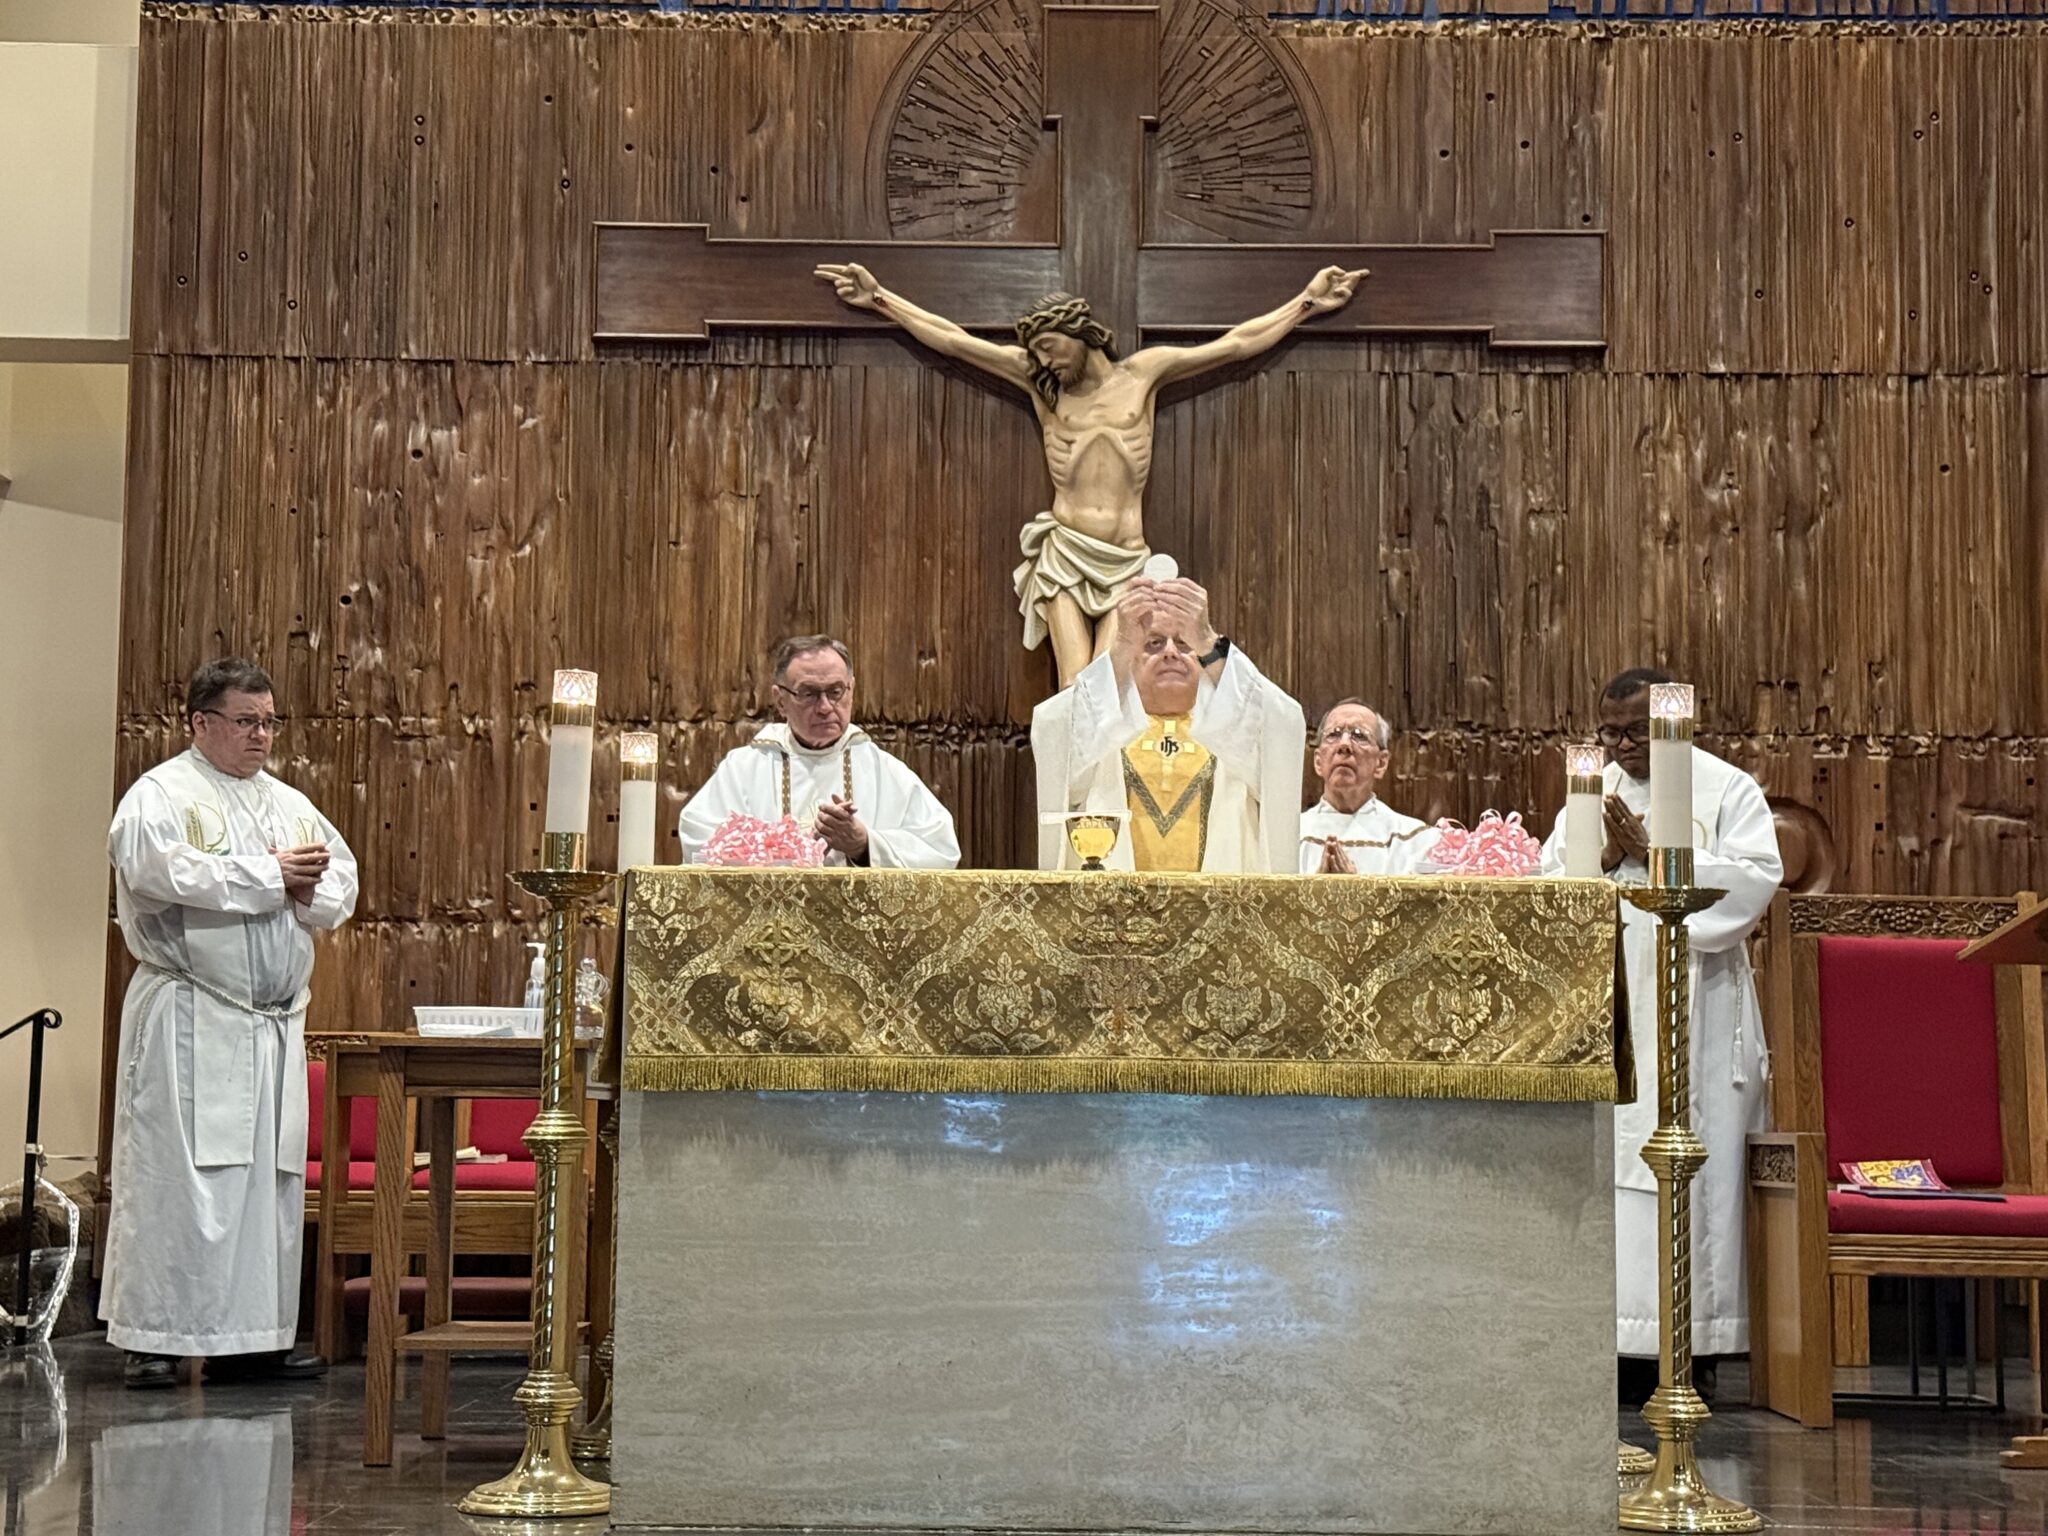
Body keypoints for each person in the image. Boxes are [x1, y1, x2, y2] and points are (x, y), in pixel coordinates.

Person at [814, 262, 1367, 686]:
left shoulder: (1144, 373)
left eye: (1051, 347)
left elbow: (1236, 344)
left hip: (1126, 557)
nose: (1046, 361)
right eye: (1037, 353)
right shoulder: (1039, 384)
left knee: (1110, 686)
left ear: (1079, 332)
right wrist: (880, 300)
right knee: (1073, 685)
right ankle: (1071, 811)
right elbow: (956, 342)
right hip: (1064, 554)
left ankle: (1101, 808)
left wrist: (1306, 304)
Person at [102, 657, 358, 1388]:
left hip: (270, 1026)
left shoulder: (289, 803)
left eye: (270, 721)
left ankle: (254, 1339)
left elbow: (341, 880)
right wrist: (270, 876)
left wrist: (304, 888)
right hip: (192, 1014)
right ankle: (155, 1338)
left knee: (261, 1184)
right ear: (200, 723)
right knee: (181, 1181)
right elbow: (160, 873)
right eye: (246, 721)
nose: (261, 736)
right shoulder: (160, 795)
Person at [1538, 667, 1782, 1385]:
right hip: (1613, 1009)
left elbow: (1755, 880)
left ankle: (1691, 1345)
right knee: (1609, 1173)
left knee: (1691, 1166)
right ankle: (1611, 1344)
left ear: (1672, 727)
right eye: (1608, 733)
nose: (1620, 748)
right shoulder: (1591, 795)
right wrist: (1605, 857)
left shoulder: (1727, 788)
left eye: (1635, 733)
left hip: (1694, 1008)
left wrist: (1658, 854)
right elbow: (1554, 896)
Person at [1032, 577, 1304, 873]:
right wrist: (1122, 644)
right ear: (1131, 659)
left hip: (1220, 912)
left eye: (1185, 643)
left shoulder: (1233, 732)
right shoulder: (1103, 729)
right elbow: (1052, 729)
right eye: (1153, 643)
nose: (1171, 652)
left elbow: (1284, 724)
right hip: (1114, 915)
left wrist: (1208, 640)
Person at [678, 634, 961, 869]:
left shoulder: (884, 771)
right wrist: (778, 852)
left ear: (851, 690)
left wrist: (865, 845)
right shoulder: (744, 769)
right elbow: (699, 837)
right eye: (809, 693)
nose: (825, 706)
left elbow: (940, 849)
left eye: (836, 692)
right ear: (780, 700)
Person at [1299, 699, 1438, 874]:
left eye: (1359, 735)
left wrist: (1360, 894)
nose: (1344, 745)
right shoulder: (1289, 838)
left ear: (1381, 763)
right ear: (1318, 761)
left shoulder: (1416, 842)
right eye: (1333, 735)